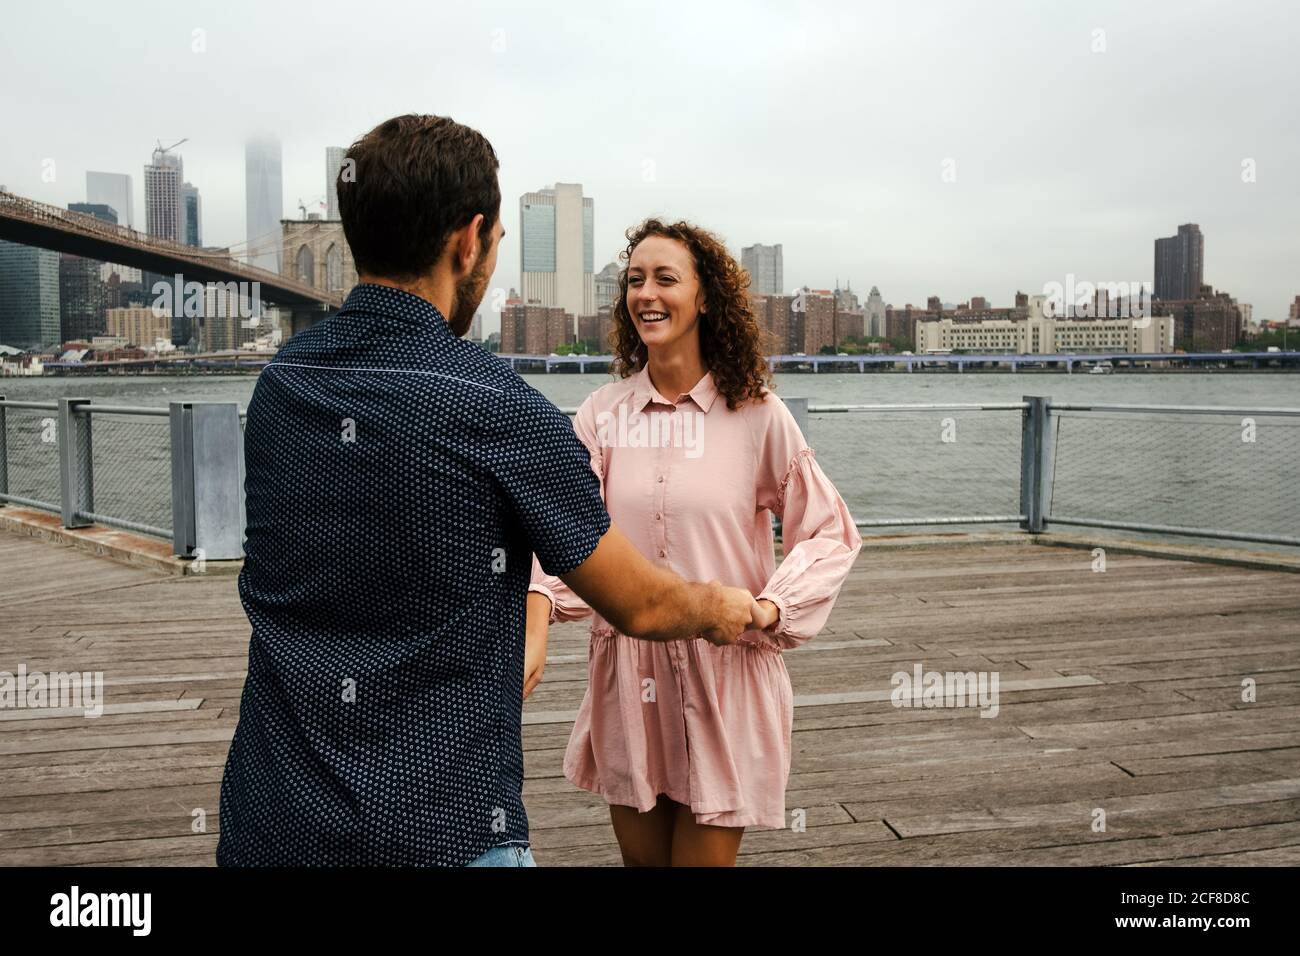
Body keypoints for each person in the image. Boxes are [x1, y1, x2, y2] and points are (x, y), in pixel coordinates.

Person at [216, 116, 761, 868]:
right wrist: (722, 605)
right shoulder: (498, 409)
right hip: (445, 831)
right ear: (468, 241)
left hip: (270, 825)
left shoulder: (280, 386)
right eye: (497, 244)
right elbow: (641, 604)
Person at [527, 219, 863, 866]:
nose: (645, 293)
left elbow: (828, 531)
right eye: (634, 281)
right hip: (628, 678)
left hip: (725, 673)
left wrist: (770, 610)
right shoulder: (602, 414)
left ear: (705, 297)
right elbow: (562, 534)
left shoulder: (758, 415)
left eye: (664, 279)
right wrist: (536, 614)